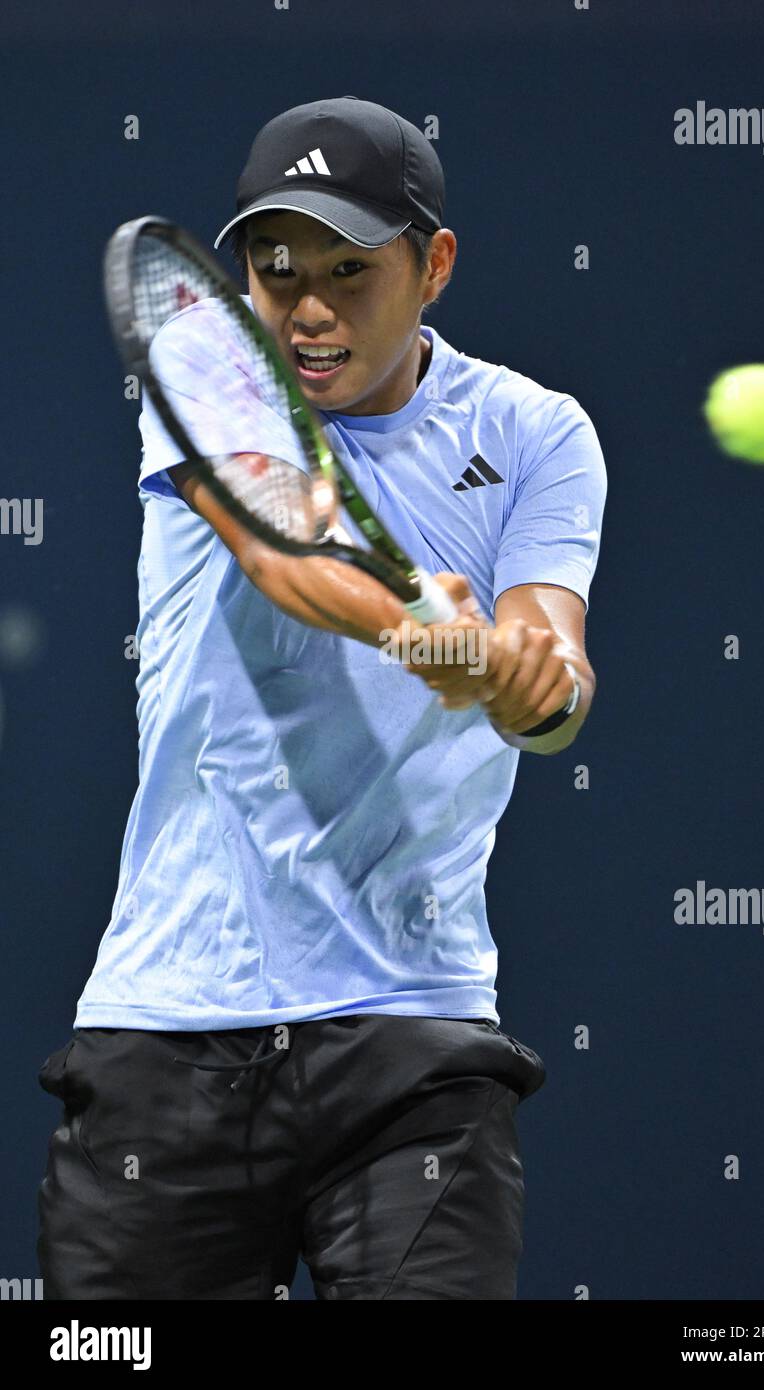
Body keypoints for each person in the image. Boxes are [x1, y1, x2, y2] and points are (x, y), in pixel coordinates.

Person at [36, 95, 607, 1300]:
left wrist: (528, 681)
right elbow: (287, 559)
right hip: (170, 1029)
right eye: (274, 265)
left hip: (414, 1039)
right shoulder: (205, 371)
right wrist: (422, 636)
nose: (303, 307)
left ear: (433, 265)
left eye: (349, 270)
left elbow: (547, 659)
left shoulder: (536, 432)